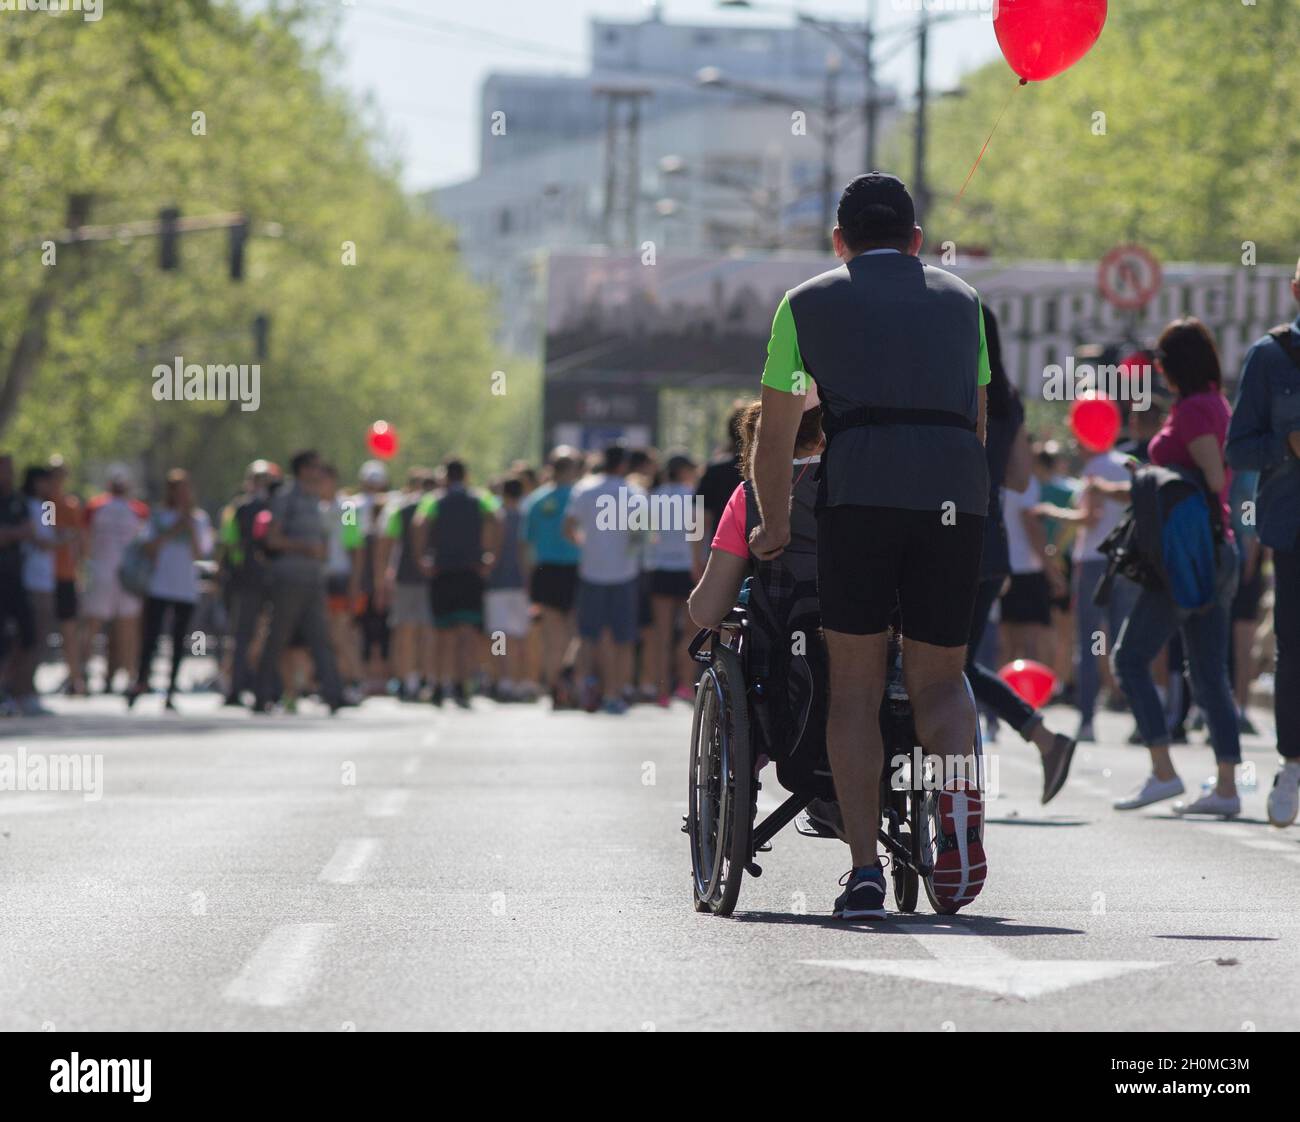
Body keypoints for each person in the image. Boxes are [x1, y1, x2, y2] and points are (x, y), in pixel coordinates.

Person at [750, 172, 990, 918]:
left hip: (859, 492)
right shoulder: (964, 301)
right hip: (954, 493)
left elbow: (776, 436)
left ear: (839, 242)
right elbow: (977, 421)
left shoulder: (806, 302)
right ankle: (951, 818)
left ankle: (863, 872)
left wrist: (776, 522)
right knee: (942, 681)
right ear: (916, 241)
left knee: (852, 687)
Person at [1098, 318, 1241, 815]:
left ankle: (1163, 771)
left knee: (1129, 658)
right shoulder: (1214, 403)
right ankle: (1225, 787)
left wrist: (1152, 474)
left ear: (1176, 362)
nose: (1156, 368)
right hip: (1214, 549)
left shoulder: (1197, 409)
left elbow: (1213, 475)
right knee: (1206, 672)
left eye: (1160, 359)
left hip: (1191, 555)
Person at [963, 307, 1076, 802]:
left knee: (942, 664)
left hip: (950, 540)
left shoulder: (948, 388)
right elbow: (1021, 479)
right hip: (991, 544)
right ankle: (1042, 738)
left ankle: (1041, 738)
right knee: (953, 663)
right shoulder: (1008, 400)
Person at [1226, 257, 1300, 826]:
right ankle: (1292, 765)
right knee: (1293, 651)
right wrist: (1287, 442)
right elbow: (1238, 447)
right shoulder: (1270, 355)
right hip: (1291, 526)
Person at [253, 450, 345, 714]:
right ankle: (262, 694)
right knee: (278, 637)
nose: (319, 472)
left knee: (321, 638)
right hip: (289, 578)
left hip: (314, 579)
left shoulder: (317, 501)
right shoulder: (285, 499)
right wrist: (305, 548)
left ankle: (334, 694)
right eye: (316, 466)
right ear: (303, 469)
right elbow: (273, 539)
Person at [565, 444, 645, 715]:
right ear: (623, 464)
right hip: (624, 573)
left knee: (588, 636)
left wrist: (587, 545)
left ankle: (585, 687)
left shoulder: (584, 489)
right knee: (623, 639)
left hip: (591, 572)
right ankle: (614, 692)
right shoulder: (634, 492)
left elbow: (568, 527)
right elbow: (640, 536)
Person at [412, 458, 498, 708]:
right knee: (467, 633)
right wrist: (491, 554)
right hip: (471, 571)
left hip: (443, 571)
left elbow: (419, 524)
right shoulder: (480, 498)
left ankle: (438, 684)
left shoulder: (434, 500)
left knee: (441, 634)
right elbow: (496, 518)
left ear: (445, 477)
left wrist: (421, 558)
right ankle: (463, 685)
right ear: (466, 475)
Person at [127, 469, 214, 711]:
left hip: (186, 587)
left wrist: (190, 527)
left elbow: (201, 553)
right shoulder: (159, 517)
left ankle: (171, 688)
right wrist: (174, 529)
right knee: (151, 637)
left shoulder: (199, 519)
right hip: (159, 586)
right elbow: (148, 548)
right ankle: (141, 681)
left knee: (179, 640)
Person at [82, 464, 149, 694]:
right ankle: (128, 676)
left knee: (97, 626)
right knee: (124, 627)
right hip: (123, 574)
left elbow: (85, 541)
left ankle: (87, 673)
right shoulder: (136, 509)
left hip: (105, 571)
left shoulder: (96, 507)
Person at [217, 460, 279, 705]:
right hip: (246, 579)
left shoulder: (275, 507)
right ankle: (236, 686)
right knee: (242, 635)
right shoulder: (237, 510)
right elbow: (228, 543)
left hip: (269, 579)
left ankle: (267, 686)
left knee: (266, 634)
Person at [523, 448, 582, 707]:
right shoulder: (580, 496)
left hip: (545, 570)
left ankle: (553, 685)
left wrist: (527, 578)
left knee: (550, 634)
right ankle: (568, 683)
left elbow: (525, 543)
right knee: (575, 632)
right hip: (576, 569)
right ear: (571, 469)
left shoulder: (535, 500)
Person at [644, 453, 699, 705]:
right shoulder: (693, 495)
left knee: (662, 635)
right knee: (690, 632)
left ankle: (661, 690)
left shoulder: (654, 496)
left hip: (660, 567)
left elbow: (647, 534)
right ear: (684, 470)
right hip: (688, 568)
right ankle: (685, 685)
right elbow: (699, 532)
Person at [378, 467, 435, 701]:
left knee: (405, 631)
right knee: (428, 632)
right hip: (432, 578)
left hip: (405, 577)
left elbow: (386, 543)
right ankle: (427, 678)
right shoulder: (437, 507)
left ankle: (406, 680)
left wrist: (381, 578)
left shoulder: (398, 509)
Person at [484, 476, 533, 701]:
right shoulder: (526, 517)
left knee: (499, 635)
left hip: (497, 584)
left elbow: (488, 549)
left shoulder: (495, 518)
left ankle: (502, 679)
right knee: (520, 635)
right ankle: (521, 680)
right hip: (520, 585)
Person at [16, 465, 56, 716]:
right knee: (31, 636)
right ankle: (23, 690)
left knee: (42, 637)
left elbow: (49, 535)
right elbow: (38, 540)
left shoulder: (47, 506)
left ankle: (30, 687)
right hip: (30, 579)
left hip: (47, 579)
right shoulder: (25, 505)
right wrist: (54, 542)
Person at [1227, 468, 1264, 734]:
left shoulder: (1248, 474)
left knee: (1242, 643)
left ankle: (1240, 706)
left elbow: (1249, 518)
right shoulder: (1235, 470)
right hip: (1231, 562)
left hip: (1241, 566)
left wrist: (1249, 564)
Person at [48, 457, 86, 696]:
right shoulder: (45, 505)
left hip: (65, 574)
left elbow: (78, 539)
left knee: (69, 629)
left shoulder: (71, 505)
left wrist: (80, 572)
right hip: (43, 576)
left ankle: (75, 679)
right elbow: (47, 532)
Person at [0, 454, 34, 716]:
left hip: (18, 577)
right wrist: (15, 533)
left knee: (28, 633)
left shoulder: (21, 502)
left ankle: (14, 688)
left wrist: (10, 534)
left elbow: (33, 531)